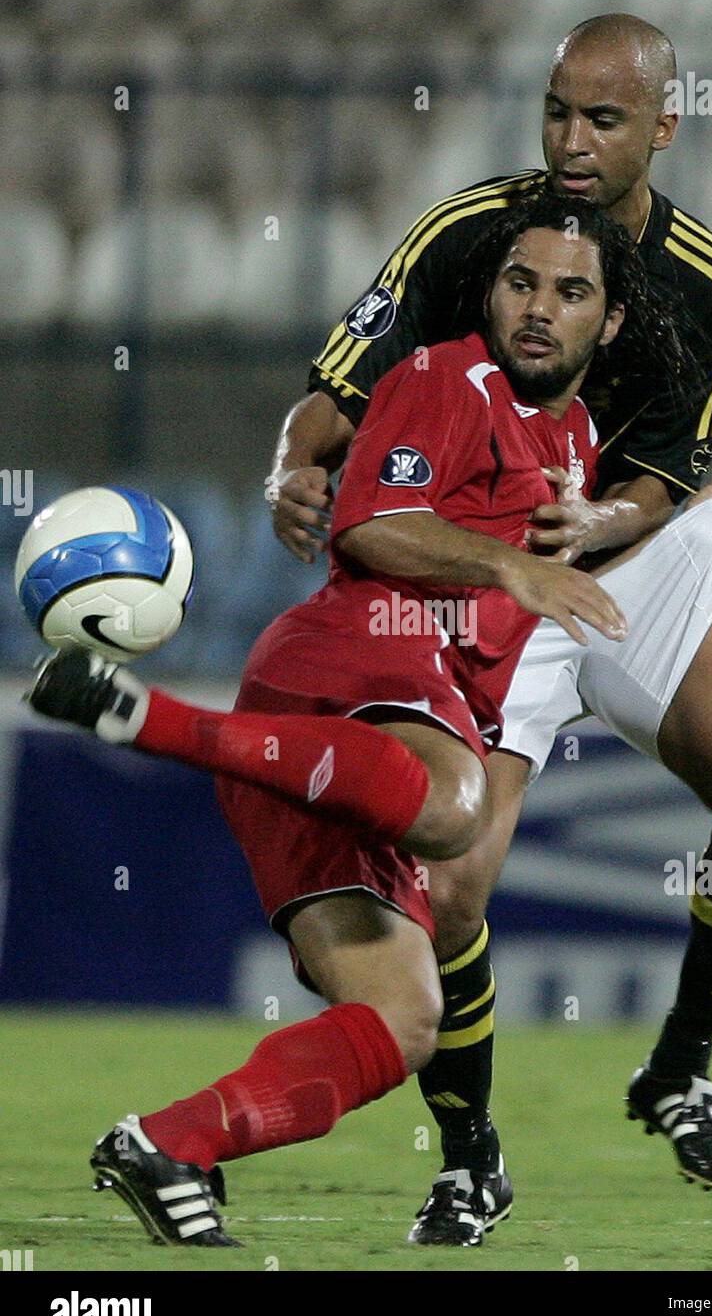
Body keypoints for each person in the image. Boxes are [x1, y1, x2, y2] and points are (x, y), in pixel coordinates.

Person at [266, 14, 712, 1248]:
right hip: (490, 571)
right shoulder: (471, 236)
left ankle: (679, 1066)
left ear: (663, 127)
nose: (571, 140)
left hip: (623, 552)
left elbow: (671, 472)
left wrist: (600, 514)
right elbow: (334, 394)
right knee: (450, 892)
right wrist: (290, 470)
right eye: (557, 110)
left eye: (603, 119)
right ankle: (471, 1159)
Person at [26, 197, 643, 1247]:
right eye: (521, 284)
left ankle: (168, 1144)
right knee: (457, 811)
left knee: (404, 1019)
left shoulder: (574, 437)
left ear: (612, 322)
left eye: (570, 292)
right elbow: (372, 519)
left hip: (330, 753)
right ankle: (158, 719)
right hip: (357, 662)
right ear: (489, 293)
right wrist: (511, 564)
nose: (538, 310)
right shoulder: (449, 376)